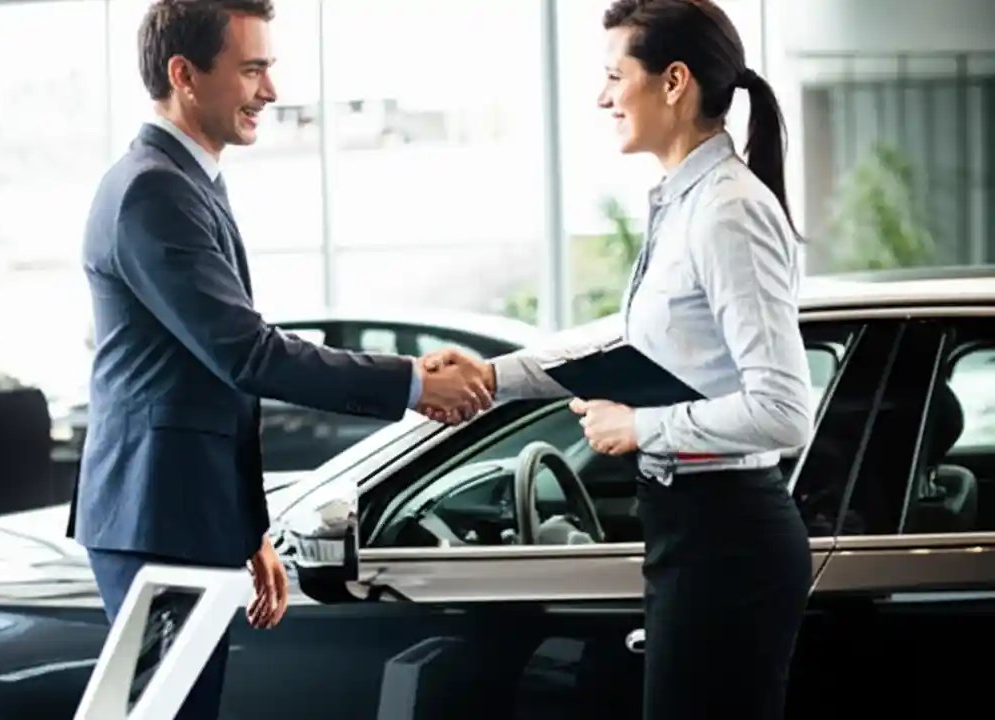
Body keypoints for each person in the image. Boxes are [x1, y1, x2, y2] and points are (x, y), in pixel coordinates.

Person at [72, 1, 490, 717]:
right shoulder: (153, 190)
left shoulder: (185, 179)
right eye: (253, 69)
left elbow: (209, 375)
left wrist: (246, 528)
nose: (270, 90)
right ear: (185, 74)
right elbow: (245, 353)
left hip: (182, 514)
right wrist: (416, 382)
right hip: (156, 517)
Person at [424, 1, 813, 718]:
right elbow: (619, 349)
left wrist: (643, 427)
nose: (603, 97)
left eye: (613, 76)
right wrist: (489, 377)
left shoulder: (727, 210)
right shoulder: (685, 203)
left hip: (729, 541)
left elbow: (785, 410)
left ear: (673, 82)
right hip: (692, 529)